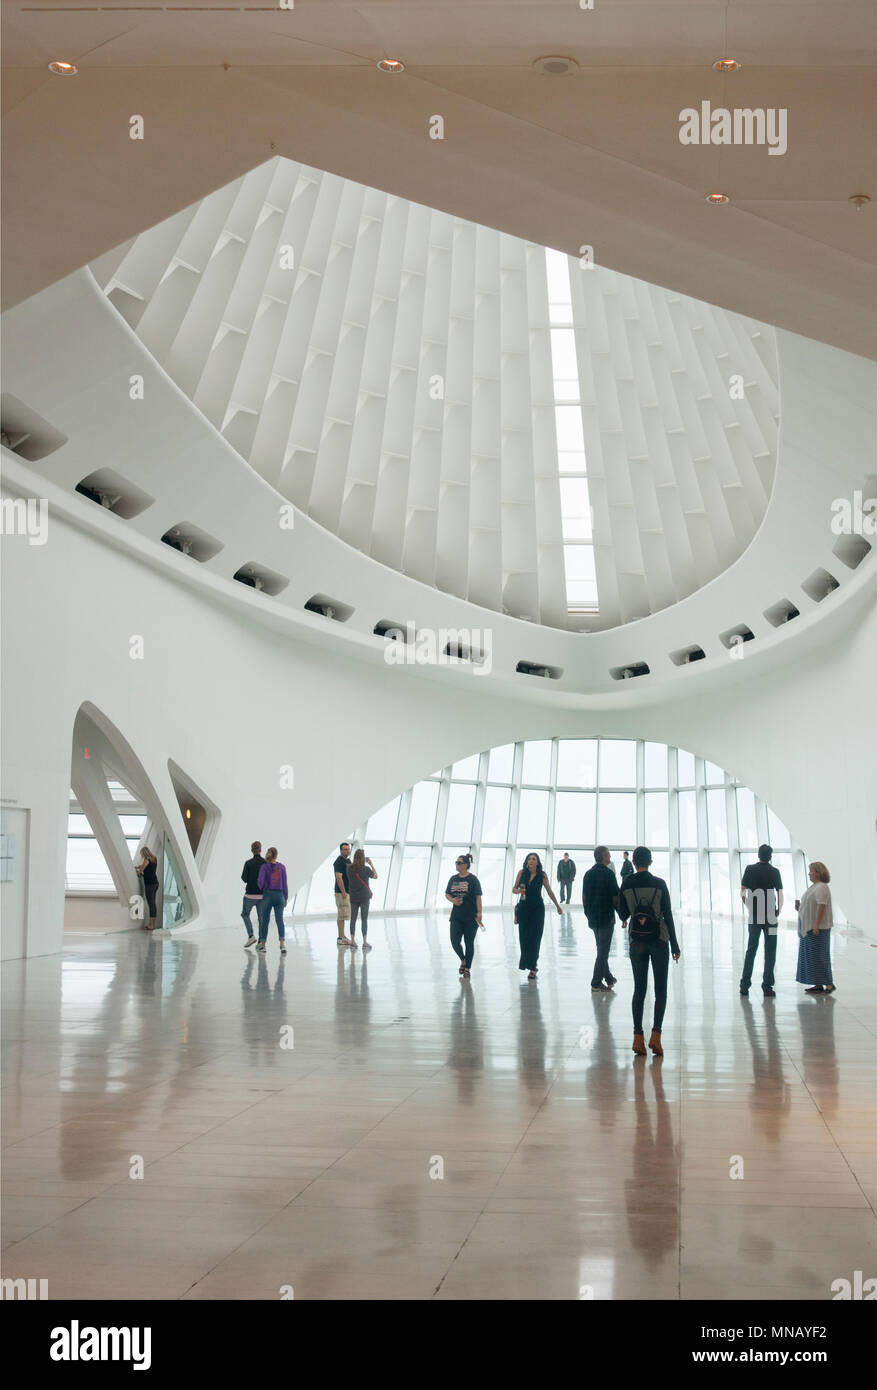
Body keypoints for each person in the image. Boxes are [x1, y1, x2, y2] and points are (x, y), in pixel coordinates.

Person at [618, 846, 681, 1056]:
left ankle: (638, 1038)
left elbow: (623, 913)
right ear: (650, 862)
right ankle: (656, 1036)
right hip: (660, 940)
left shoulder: (627, 883)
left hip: (637, 940)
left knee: (639, 988)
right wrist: (675, 945)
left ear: (634, 863)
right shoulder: (660, 884)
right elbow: (668, 915)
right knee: (661, 989)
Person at [739, 843, 783, 997]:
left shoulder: (750, 870)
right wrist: (778, 910)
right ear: (770, 856)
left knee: (751, 948)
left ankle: (745, 984)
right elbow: (779, 894)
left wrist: (749, 906)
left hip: (755, 915)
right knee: (770, 950)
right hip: (771, 915)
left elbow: (743, 892)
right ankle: (767, 986)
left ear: (759, 855)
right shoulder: (775, 872)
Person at [513, 852, 562, 980]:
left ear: (538, 862)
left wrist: (557, 905)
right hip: (523, 907)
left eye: (534, 859)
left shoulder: (542, 875)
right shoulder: (521, 873)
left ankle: (533, 967)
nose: (531, 861)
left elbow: (549, 890)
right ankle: (526, 963)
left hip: (537, 909)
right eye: (529, 859)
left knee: (535, 938)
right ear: (526, 861)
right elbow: (514, 889)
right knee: (524, 937)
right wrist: (518, 890)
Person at [581, 845, 620, 991]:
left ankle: (609, 978)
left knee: (601, 948)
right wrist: (622, 915)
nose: (610, 857)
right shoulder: (609, 874)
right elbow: (615, 898)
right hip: (606, 918)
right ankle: (596, 982)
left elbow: (584, 897)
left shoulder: (588, 874)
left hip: (593, 918)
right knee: (603, 951)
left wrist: (587, 913)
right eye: (608, 854)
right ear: (603, 856)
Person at [795, 862, 835, 994]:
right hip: (809, 927)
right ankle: (818, 983)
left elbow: (821, 906)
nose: (809, 873)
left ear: (818, 872)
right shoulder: (814, 887)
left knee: (820, 956)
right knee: (812, 957)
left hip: (818, 928)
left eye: (811, 871)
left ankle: (829, 984)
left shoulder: (822, 887)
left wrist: (817, 924)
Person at [445, 854, 483, 978]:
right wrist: (453, 900)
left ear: (466, 865)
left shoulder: (473, 880)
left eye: (459, 862)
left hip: (471, 916)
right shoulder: (453, 878)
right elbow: (447, 894)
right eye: (456, 862)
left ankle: (467, 968)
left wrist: (479, 913)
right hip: (456, 916)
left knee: (469, 942)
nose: (457, 864)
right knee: (454, 940)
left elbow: (478, 897)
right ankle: (463, 959)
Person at [257, 847, 288, 953]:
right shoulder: (282, 867)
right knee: (279, 920)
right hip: (279, 896)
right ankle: (282, 944)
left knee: (265, 920)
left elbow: (260, 882)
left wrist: (262, 887)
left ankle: (263, 944)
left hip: (268, 895)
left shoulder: (264, 867)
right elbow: (285, 884)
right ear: (276, 855)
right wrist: (286, 898)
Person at [348, 848, 377, 950]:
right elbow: (376, 876)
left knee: (353, 919)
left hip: (353, 897)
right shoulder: (366, 869)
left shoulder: (349, 868)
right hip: (364, 898)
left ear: (355, 857)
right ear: (363, 858)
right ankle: (364, 942)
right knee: (364, 920)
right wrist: (371, 864)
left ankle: (352, 941)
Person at [240, 839, 265, 947]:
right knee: (261, 918)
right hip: (262, 895)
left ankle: (251, 936)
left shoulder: (248, 863)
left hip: (250, 894)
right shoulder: (265, 863)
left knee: (245, 914)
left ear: (252, 850)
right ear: (260, 850)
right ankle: (261, 941)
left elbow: (244, 878)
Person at [333, 842, 353, 946]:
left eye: (348, 849)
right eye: (345, 849)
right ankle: (340, 938)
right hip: (341, 892)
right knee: (341, 915)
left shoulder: (348, 860)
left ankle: (343, 935)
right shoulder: (339, 862)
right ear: (341, 851)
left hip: (347, 892)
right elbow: (339, 877)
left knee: (344, 915)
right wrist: (344, 892)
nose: (347, 851)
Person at [135, 847, 159, 931]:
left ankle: (152, 925)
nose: (141, 855)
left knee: (151, 904)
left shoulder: (146, 860)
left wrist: (138, 871)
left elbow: (140, 871)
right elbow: (146, 867)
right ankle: (151, 924)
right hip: (155, 883)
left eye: (141, 854)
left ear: (143, 853)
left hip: (150, 885)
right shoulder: (154, 859)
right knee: (153, 904)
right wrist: (139, 867)